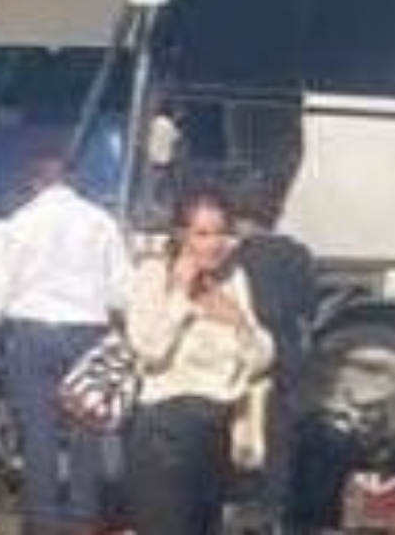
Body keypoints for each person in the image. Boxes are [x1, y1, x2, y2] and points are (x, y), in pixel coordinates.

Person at [0, 148, 131, 535]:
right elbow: (121, 292)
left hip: (31, 335)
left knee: (38, 434)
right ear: (72, 179)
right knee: (86, 433)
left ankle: (42, 521)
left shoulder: (18, 223)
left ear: (34, 182)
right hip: (86, 335)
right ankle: (83, 519)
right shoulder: (101, 222)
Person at [126, 187, 274, 535]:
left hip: (217, 432)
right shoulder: (155, 274)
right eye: (202, 234)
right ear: (181, 235)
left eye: (221, 233)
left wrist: (239, 321)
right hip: (167, 432)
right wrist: (180, 294)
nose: (214, 244)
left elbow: (263, 358)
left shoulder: (233, 279)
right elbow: (149, 348)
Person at [230, 180, 317, 534]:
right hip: (286, 349)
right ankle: (275, 510)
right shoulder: (298, 253)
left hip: (244, 347)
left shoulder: (235, 256)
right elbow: (309, 307)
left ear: (239, 218)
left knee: (238, 424)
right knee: (280, 433)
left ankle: (238, 501)